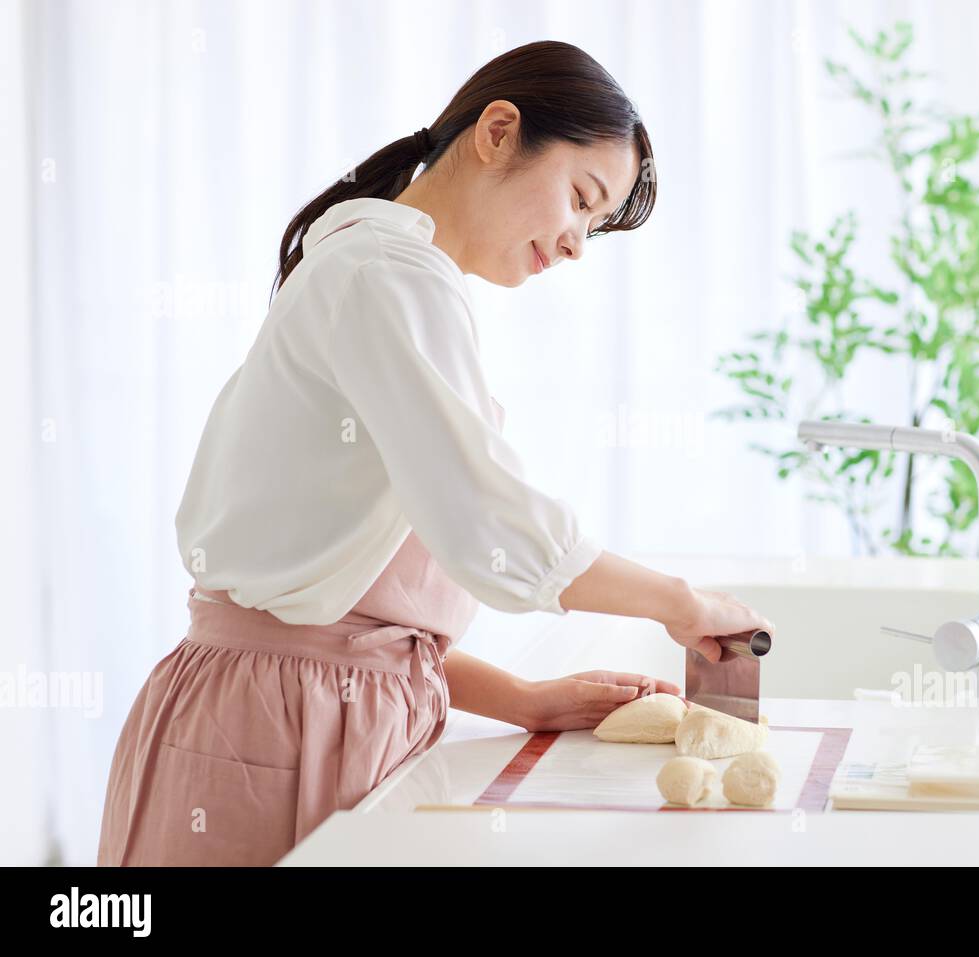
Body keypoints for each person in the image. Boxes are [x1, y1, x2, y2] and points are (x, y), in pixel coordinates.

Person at [98, 39, 771, 867]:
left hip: (309, 717)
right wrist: (681, 604)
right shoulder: (386, 274)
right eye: (580, 198)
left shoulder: (395, 277)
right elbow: (494, 527)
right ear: (498, 131)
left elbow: (361, 630)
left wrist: (521, 700)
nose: (574, 246)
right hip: (267, 728)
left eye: (595, 228)